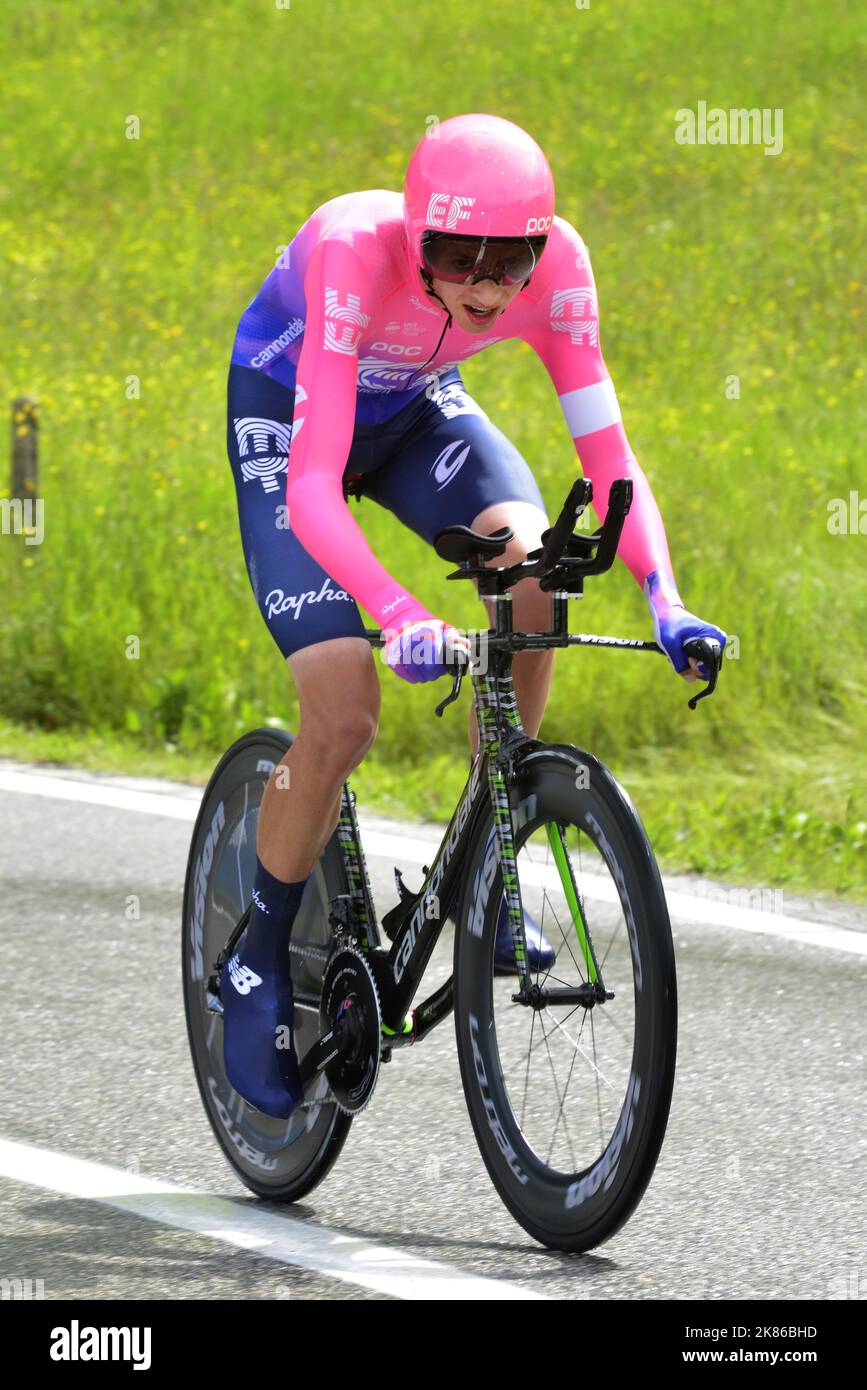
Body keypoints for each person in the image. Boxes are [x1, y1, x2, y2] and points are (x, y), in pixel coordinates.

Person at [222, 113, 726, 1117]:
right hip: (290, 416)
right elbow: (316, 488)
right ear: (417, 237)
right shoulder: (354, 252)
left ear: (544, 245)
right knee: (345, 709)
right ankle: (256, 953)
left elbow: (610, 462)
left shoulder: (562, 268)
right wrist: (398, 610)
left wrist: (664, 598)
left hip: (415, 407)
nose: (489, 285)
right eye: (459, 256)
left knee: (538, 573)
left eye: (512, 260)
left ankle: (488, 864)